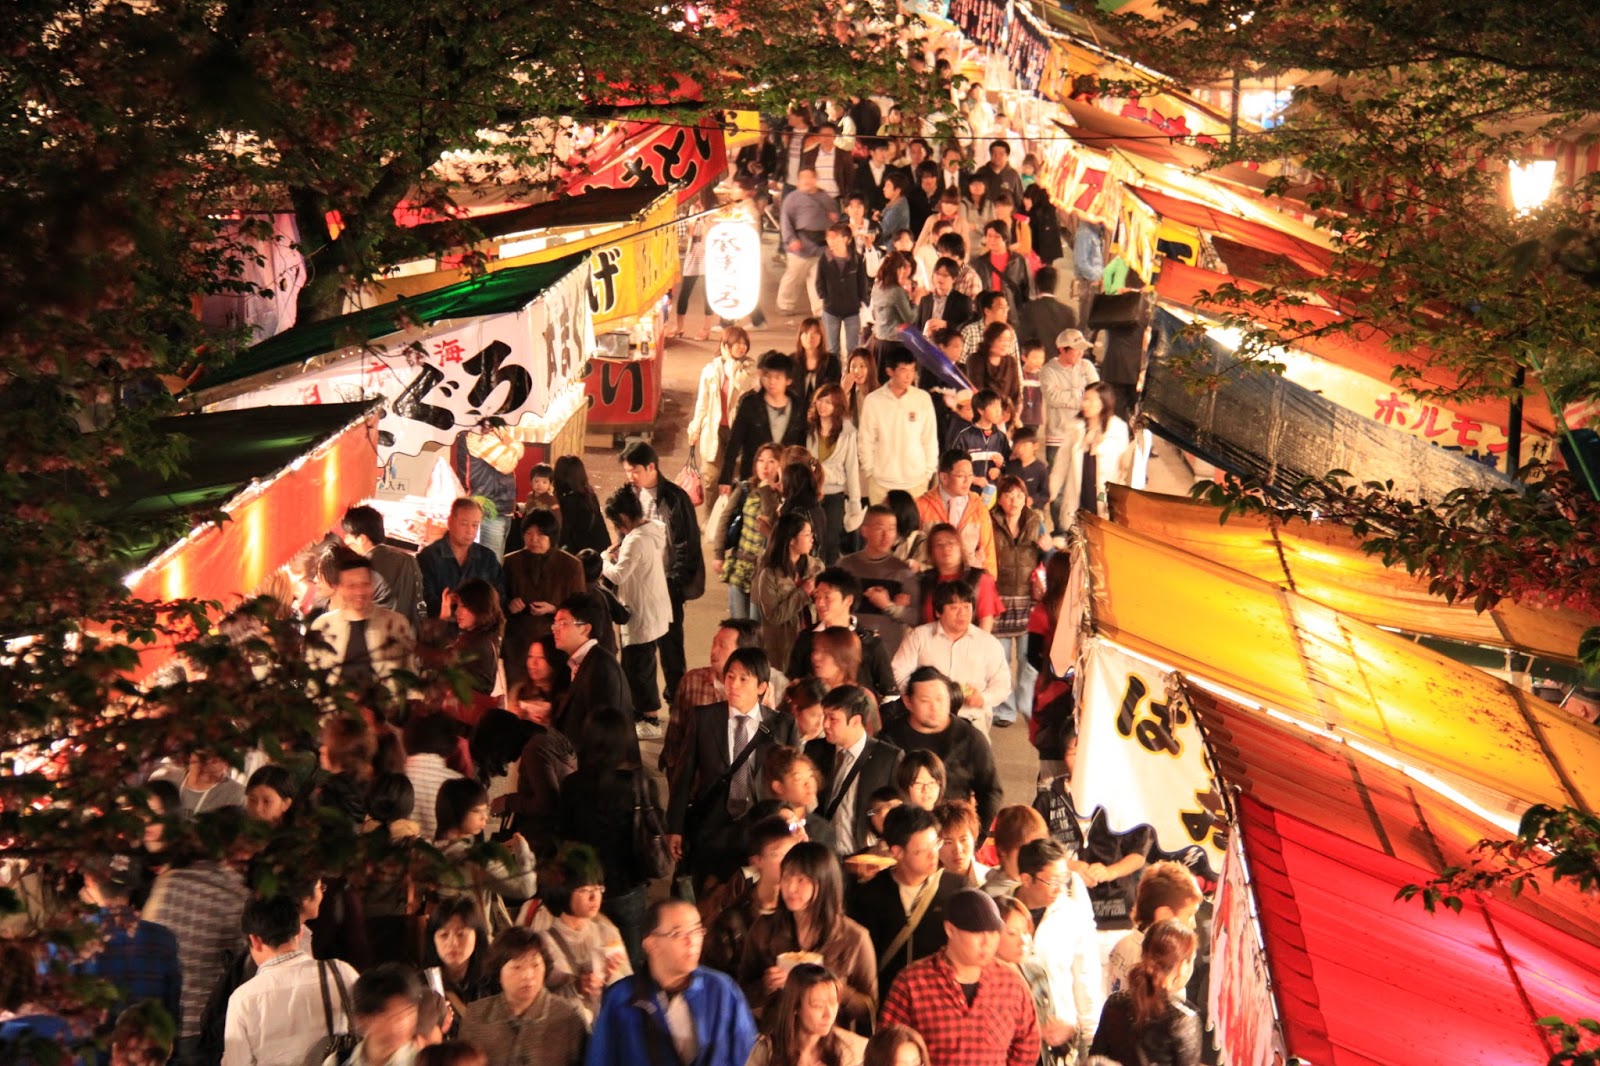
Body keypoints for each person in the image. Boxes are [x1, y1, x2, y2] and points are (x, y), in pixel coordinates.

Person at [665, 648, 801, 887]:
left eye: (743, 678)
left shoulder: (782, 725)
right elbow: (683, 775)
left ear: (761, 687)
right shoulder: (704, 718)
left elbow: (793, 782)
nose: (733, 684)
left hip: (761, 829)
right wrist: (674, 827)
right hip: (711, 829)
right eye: (730, 676)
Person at [585, 899, 757, 1066]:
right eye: (678, 934)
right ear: (650, 943)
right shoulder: (621, 998)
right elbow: (601, 1058)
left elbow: (747, 1052)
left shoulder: (721, 989)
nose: (692, 942)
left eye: (697, 931)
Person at [879, 889, 1039, 1066]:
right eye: (978, 933)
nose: (987, 942)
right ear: (950, 930)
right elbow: (888, 1048)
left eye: (994, 932)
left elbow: (1027, 1045)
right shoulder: (913, 982)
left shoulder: (1011, 983)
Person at [557, 707, 660, 969]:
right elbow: (657, 827)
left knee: (587, 963)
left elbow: (563, 835)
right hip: (628, 885)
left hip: (585, 887)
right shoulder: (640, 784)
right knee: (627, 964)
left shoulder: (572, 785)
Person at [738, 843, 878, 1030]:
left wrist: (838, 990)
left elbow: (870, 1010)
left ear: (824, 883)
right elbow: (739, 994)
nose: (791, 887)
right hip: (777, 1038)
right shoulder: (764, 929)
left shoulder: (854, 938)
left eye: (802, 880)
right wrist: (765, 986)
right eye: (786, 877)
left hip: (829, 1040)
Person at [141, 836, 248, 1062]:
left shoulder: (167, 881)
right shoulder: (234, 891)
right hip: (197, 1022)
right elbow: (243, 960)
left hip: (159, 1018)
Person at [222, 894, 360, 1066]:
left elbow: (236, 1062)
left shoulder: (243, 999)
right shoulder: (340, 972)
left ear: (255, 940)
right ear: (300, 932)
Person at [619, 441, 704, 709]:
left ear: (651, 467)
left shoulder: (675, 498)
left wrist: (675, 584)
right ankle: (641, 705)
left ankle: (678, 701)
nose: (631, 476)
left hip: (667, 584)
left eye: (635, 471)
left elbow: (686, 545)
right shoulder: (629, 496)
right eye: (627, 471)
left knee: (671, 648)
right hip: (639, 583)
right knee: (638, 647)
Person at [845, 804, 960, 990]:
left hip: (937, 997)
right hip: (889, 997)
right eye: (921, 851)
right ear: (896, 852)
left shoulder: (955, 889)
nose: (933, 855)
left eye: (936, 844)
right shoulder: (870, 896)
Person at [880, 667, 1003, 834]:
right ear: (908, 702)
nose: (935, 707)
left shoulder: (970, 738)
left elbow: (991, 791)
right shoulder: (890, 738)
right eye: (925, 701)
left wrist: (976, 836)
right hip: (906, 834)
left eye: (941, 699)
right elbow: (879, 795)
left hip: (953, 834)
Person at [1014, 840, 1101, 1058]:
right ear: (1026, 879)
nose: (1060, 888)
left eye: (1064, 879)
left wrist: (1088, 1036)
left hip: (1059, 1039)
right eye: (1053, 881)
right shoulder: (1002, 912)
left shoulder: (1073, 916)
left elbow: (1086, 979)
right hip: (1012, 1037)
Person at [73, 855, 182, 1029]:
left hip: (93, 1042)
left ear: (89, 880)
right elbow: (172, 1012)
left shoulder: (74, 938)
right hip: (147, 1041)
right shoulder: (164, 938)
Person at [896, 575, 1010, 737]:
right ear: (938, 612)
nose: (962, 613)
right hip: (926, 722)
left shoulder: (988, 643)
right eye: (954, 608)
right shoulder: (918, 637)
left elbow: (1002, 685)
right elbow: (899, 673)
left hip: (971, 721)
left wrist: (983, 698)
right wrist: (920, 695)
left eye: (967, 607)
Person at [458, 928, 587, 1066]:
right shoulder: (476, 1015)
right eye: (517, 967)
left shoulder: (568, 1017)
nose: (528, 975)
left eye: (535, 965)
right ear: (498, 972)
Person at [530, 843, 633, 1016]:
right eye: (585, 890)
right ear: (563, 892)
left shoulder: (607, 932)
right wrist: (576, 987)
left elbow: (630, 991)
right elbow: (536, 1001)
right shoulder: (543, 942)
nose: (594, 897)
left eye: (598, 889)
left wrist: (612, 976)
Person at [601, 487, 671, 736]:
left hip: (642, 612)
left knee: (640, 669)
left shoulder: (635, 539)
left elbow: (618, 575)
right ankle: (640, 714)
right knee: (640, 665)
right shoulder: (653, 531)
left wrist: (604, 559)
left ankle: (650, 719)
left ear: (623, 518)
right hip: (653, 608)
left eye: (616, 523)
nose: (617, 529)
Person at [661, 618, 762, 787]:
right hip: (698, 789)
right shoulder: (692, 681)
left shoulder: (762, 690)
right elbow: (675, 735)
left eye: (722, 645)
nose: (714, 650)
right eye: (714, 643)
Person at [1087, 920, 1202, 1066]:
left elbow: (1095, 1058)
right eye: (1191, 960)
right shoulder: (1183, 1020)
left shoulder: (1115, 1004)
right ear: (1182, 967)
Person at [701, 815, 804, 976]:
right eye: (778, 854)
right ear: (756, 862)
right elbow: (718, 978)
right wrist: (762, 986)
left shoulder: (801, 910)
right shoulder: (733, 919)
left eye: (792, 854)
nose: (788, 862)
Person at [808, 685, 904, 857]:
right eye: (824, 716)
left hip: (866, 856)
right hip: (822, 856)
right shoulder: (815, 750)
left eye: (833, 718)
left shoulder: (888, 758)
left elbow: (899, 813)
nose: (825, 724)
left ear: (855, 721)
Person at [307, 548, 417, 697]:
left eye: (365, 584)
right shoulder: (322, 627)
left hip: (384, 709)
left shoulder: (396, 624)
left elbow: (411, 679)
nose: (359, 592)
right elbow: (313, 685)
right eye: (352, 586)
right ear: (340, 587)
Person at [433, 777, 538, 923]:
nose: (485, 818)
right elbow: (525, 888)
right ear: (457, 811)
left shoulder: (431, 850)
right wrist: (523, 849)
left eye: (486, 810)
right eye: (477, 811)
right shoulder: (477, 858)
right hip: (472, 933)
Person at [787, 569, 897, 706]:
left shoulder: (869, 642)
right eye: (817, 596)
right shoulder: (806, 637)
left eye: (827, 597)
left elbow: (890, 694)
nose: (819, 603)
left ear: (848, 600)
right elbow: (794, 682)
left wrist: (872, 715)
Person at [502, 507, 586, 683]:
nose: (534, 539)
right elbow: (498, 600)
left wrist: (554, 609)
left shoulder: (571, 566)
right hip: (518, 644)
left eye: (540, 534)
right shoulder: (510, 562)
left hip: (555, 645)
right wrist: (509, 605)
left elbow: (582, 609)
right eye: (529, 534)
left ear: (552, 537)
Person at [989, 477, 1047, 729]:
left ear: (1026, 499)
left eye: (1019, 496)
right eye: (1009, 495)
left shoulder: (1036, 522)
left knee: (1027, 659)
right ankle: (1005, 709)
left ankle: (1026, 704)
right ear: (1000, 499)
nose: (1014, 501)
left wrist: (1048, 548)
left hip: (1028, 600)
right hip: (998, 599)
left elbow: (1049, 559)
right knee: (1000, 661)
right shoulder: (988, 522)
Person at [993, 896, 1074, 1066]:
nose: (1023, 941)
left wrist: (1065, 1032)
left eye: (1026, 932)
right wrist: (1034, 1034)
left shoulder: (1036, 973)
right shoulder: (982, 981)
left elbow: (1052, 1024)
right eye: (1012, 933)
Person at [1105, 862, 1204, 997]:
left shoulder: (1123, 944)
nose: (1194, 924)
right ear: (1165, 915)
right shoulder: (1161, 963)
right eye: (1190, 914)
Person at [687, 328, 758, 513]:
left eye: (744, 343)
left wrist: (729, 362)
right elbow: (702, 401)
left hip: (738, 432)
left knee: (735, 478)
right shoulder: (710, 370)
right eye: (737, 343)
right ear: (725, 345)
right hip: (714, 430)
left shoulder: (749, 367)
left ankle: (728, 519)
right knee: (711, 477)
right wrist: (695, 428)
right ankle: (709, 518)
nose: (742, 347)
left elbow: (740, 383)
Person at [858, 348, 938, 504]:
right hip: (881, 483)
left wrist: (928, 473)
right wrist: (870, 472)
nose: (909, 375)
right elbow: (865, 440)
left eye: (912, 370)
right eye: (903, 370)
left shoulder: (922, 399)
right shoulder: (873, 401)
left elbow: (929, 439)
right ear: (890, 371)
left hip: (916, 482)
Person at [747, 964, 869, 1066]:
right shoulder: (764, 1050)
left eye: (834, 1003)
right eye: (818, 1006)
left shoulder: (850, 1050)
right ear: (795, 1007)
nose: (829, 1014)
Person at [838, 505, 919, 658]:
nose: (886, 535)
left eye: (891, 529)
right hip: (850, 651)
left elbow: (916, 617)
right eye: (879, 528)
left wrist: (889, 606)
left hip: (889, 653)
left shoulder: (902, 571)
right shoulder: (846, 566)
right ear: (864, 530)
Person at [719, 352, 808, 491]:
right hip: (752, 479)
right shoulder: (750, 404)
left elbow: (801, 448)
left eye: (777, 377)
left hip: (785, 482)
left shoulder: (798, 407)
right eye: (768, 376)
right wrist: (725, 479)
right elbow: (734, 443)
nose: (772, 382)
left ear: (788, 380)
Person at [716, 441, 784, 621]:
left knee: (756, 625)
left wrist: (766, 489)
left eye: (771, 461)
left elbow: (772, 519)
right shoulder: (745, 488)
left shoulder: (782, 494)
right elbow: (725, 518)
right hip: (740, 564)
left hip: (764, 571)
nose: (765, 466)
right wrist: (718, 553)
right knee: (738, 625)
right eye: (761, 460)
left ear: (781, 465)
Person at [1040, 329, 1099, 534]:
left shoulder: (1086, 366)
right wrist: (1080, 396)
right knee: (1059, 486)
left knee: (1083, 483)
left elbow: (1096, 393)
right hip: (1057, 435)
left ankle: (1080, 530)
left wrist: (1072, 396)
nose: (1081, 354)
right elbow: (1053, 398)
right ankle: (1060, 531)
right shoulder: (1048, 371)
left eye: (1082, 349)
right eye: (1076, 350)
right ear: (1062, 350)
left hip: (1083, 434)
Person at [752, 513, 823, 667]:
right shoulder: (769, 575)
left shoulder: (816, 568)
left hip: (813, 645)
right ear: (791, 540)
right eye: (807, 534)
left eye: (812, 534)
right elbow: (773, 616)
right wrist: (803, 593)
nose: (812, 539)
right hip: (782, 649)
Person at [419, 498, 506, 621]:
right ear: (450, 522)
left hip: (478, 627)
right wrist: (450, 607)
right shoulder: (429, 556)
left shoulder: (487, 557)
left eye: (475, 525)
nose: (470, 531)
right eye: (464, 524)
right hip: (441, 627)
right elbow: (423, 599)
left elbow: (499, 595)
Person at [341, 505, 426, 629]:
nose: (345, 540)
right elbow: (419, 602)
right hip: (409, 634)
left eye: (347, 535)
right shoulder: (409, 560)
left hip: (379, 633)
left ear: (362, 539)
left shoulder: (363, 570)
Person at [917, 450, 998, 576]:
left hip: (968, 582)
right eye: (961, 476)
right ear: (944, 478)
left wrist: (989, 582)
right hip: (932, 581)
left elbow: (988, 552)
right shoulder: (921, 506)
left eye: (970, 475)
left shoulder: (978, 507)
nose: (967, 481)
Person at [1062, 383, 1133, 526]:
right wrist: (1052, 489)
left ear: (1103, 402)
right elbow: (1061, 461)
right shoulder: (1076, 427)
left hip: (1103, 494)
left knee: (1102, 523)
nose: (1085, 404)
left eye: (1090, 400)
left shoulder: (1117, 429)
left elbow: (1123, 467)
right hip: (1080, 492)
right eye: (1084, 399)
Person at [808, 385, 862, 565]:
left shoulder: (847, 433)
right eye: (820, 400)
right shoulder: (809, 428)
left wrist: (854, 503)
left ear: (837, 406)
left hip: (834, 494)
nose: (822, 405)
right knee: (810, 541)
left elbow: (852, 468)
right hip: (811, 493)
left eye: (828, 402)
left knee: (830, 542)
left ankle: (829, 578)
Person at [336, 962, 427, 1066]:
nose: (402, 1024)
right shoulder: (338, 1061)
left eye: (409, 1012)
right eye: (390, 1016)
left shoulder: (424, 1062)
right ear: (362, 1019)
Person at [915, 524, 1003, 630]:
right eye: (939, 545)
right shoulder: (925, 581)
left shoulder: (979, 579)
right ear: (931, 552)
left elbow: (986, 622)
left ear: (960, 547)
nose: (946, 548)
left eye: (951, 543)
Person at [778, 169, 837, 318]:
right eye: (804, 178)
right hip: (800, 243)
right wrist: (791, 239)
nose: (807, 180)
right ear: (798, 181)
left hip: (821, 244)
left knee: (818, 278)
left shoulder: (825, 197)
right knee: (794, 276)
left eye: (810, 177)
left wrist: (833, 219)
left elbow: (834, 218)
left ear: (816, 179)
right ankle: (785, 304)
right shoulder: (792, 198)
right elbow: (785, 221)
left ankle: (819, 309)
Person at [422, 897, 494, 1016]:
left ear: (478, 936)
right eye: (444, 935)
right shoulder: (422, 987)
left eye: (461, 934)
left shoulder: (494, 981)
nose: (453, 943)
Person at [444, 578, 504, 721]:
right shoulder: (476, 638)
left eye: (464, 606)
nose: (457, 612)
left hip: (462, 720)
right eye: (457, 606)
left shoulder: (479, 644)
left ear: (480, 608)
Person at [148, 749, 246, 815]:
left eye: (216, 759)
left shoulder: (237, 795)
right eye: (203, 757)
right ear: (190, 756)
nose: (208, 764)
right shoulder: (163, 779)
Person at [983, 806, 1051, 901]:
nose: (1034, 857)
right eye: (1026, 850)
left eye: (1037, 849)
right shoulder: (987, 899)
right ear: (1003, 850)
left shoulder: (1050, 887)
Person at [950, 390, 1010, 493]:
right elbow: (952, 465)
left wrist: (1000, 468)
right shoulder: (964, 436)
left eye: (999, 406)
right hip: (968, 493)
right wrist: (973, 479)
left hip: (993, 494)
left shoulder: (1000, 437)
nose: (998, 411)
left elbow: (1009, 463)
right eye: (993, 407)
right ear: (980, 410)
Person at [553, 456, 612, 557]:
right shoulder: (589, 495)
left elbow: (564, 538)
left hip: (580, 558)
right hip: (600, 553)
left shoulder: (566, 502)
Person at [965, 321, 1022, 421]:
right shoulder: (975, 359)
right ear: (990, 340)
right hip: (983, 414)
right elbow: (978, 389)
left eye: (1008, 340)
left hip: (1006, 415)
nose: (1006, 344)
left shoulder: (1011, 361)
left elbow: (1015, 392)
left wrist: (1014, 412)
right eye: (1001, 340)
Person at [869, 252, 917, 363]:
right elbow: (909, 318)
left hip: (879, 340)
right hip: (894, 343)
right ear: (898, 270)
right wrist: (915, 303)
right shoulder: (896, 291)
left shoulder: (877, 286)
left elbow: (874, 313)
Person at [933, 799, 989, 889]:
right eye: (948, 842)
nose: (958, 850)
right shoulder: (926, 884)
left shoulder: (989, 881)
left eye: (963, 840)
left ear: (974, 838)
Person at [792, 318, 842, 413]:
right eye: (806, 333)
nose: (810, 337)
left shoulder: (832, 362)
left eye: (815, 333)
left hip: (824, 412)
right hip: (796, 413)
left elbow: (834, 390)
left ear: (821, 336)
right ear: (800, 337)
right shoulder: (791, 361)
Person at [915, 257, 973, 337]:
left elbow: (968, 327)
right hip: (926, 343)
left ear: (954, 279)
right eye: (937, 274)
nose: (940, 278)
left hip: (948, 342)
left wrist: (946, 324)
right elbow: (918, 328)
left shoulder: (963, 301)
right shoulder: (925, 300)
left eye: (945, 275)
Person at [1020, 267, 1074, 350]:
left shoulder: (1028, 309)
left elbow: (1023, 338)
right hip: (1059, 357)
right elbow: (1071, 344)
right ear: (1055, 284)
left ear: (1036, 284)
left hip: (1035, 356)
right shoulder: (1068, 312)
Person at [802, 123, 856, 204]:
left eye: (829, 135)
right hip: (814, 199)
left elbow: (850, 179)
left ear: (835, 136)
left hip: (835, 199)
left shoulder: (844, 155)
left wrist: (847, 199)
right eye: (823, 135)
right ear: (819, 136)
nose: (826, 138)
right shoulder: (809, 155)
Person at [1002, 428, 1049, 513]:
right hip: (1011, 509)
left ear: (1035, 446)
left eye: (1024, 445)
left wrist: (1033, 500)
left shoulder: (1040, 468)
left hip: (1031, 511)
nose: (1020, 449)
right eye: (1017, 445)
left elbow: (1045, 495)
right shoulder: (1011, 466)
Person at [978, 140, 1026, 206]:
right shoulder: (981, 172)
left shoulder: (1013, 175)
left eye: (1001, 154)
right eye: (994, 154)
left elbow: (1019, 199)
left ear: (1007, 156)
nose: (997, 157)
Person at [841, 348, 877, 425]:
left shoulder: (879, 393)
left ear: (870, 368)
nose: (857, 371)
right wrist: (843, 391)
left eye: (862, 366)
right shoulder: (848, 392)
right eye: (853, 367)